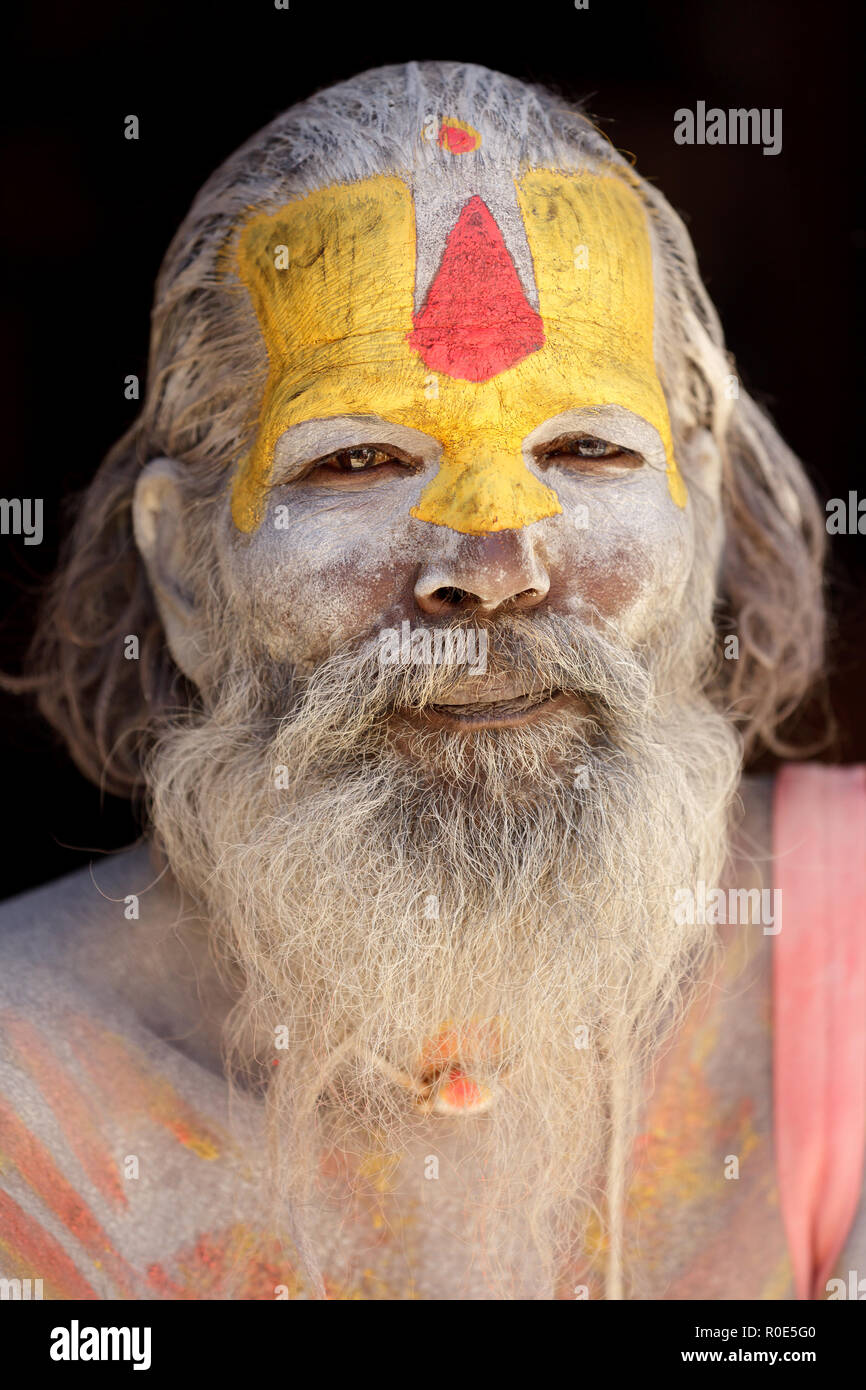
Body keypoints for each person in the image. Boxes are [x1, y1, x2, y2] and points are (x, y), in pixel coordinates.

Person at [1, 60, 862, 1301]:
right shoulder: (26, 1099)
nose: (492, 566)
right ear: (185, 575)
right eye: (355, 458)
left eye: (582, 447)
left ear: (703, 520)